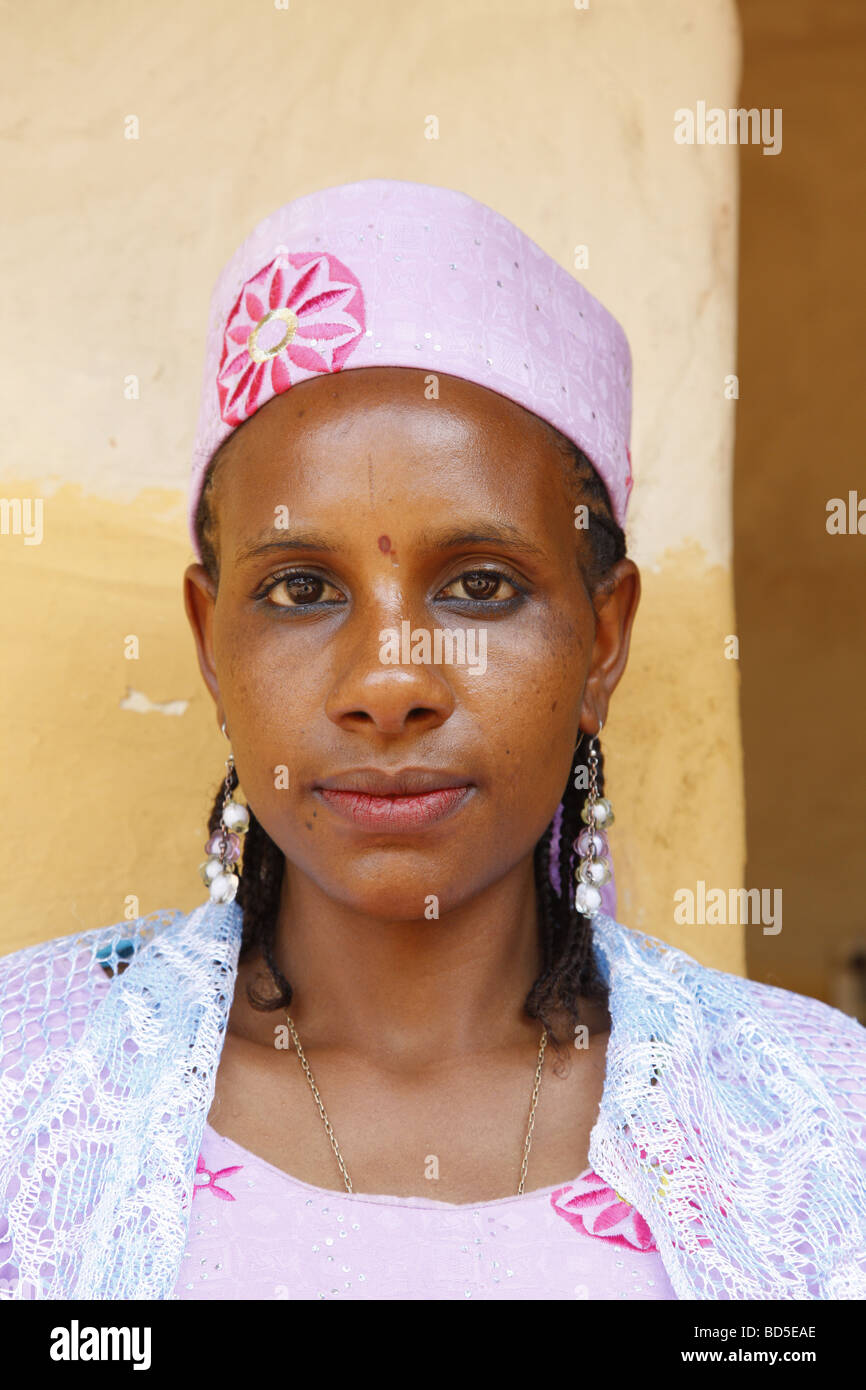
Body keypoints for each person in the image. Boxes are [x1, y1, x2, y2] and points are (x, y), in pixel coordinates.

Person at [1, 179, 864, 1302]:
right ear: (212, 642)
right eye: (303, 587)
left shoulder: (820, 1129)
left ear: (600, 640)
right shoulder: (31, 1096)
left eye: (479, 586)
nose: (389, 682)